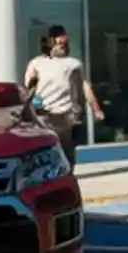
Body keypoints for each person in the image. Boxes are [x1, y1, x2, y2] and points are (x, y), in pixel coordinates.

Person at [23, 25, 105, 166]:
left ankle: (67, 177)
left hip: (65, 115)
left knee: (66, 152)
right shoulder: (37, 64)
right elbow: (28, 89)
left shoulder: (73, 64)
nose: (64, 47)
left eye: (66, 44)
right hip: (44, 115)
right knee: (45, 151)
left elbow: (85, 86)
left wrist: (96, 108)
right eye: (60, 44)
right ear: (50, 43)